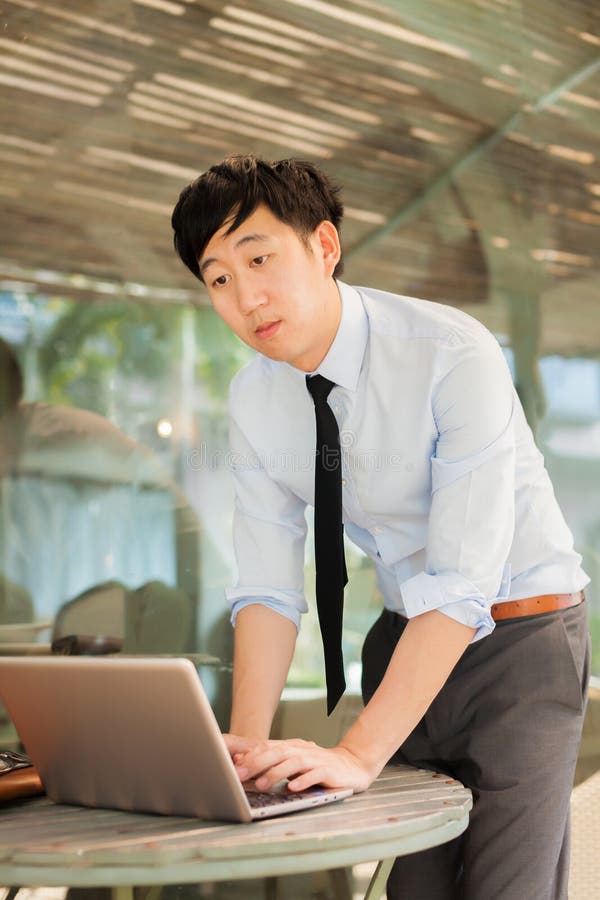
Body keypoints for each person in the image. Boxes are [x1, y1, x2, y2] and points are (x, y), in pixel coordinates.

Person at [171, 155, 590, 900]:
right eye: (220, 280)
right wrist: (247, 750)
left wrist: (359, 754)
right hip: (404, 641)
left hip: (520, 645)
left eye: (260, 258)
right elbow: (267, 584)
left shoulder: (450, 354)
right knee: (413, 890)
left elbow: (464, 580)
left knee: (507, 891)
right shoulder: (255, 399)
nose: (246, 297)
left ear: (324, 247)